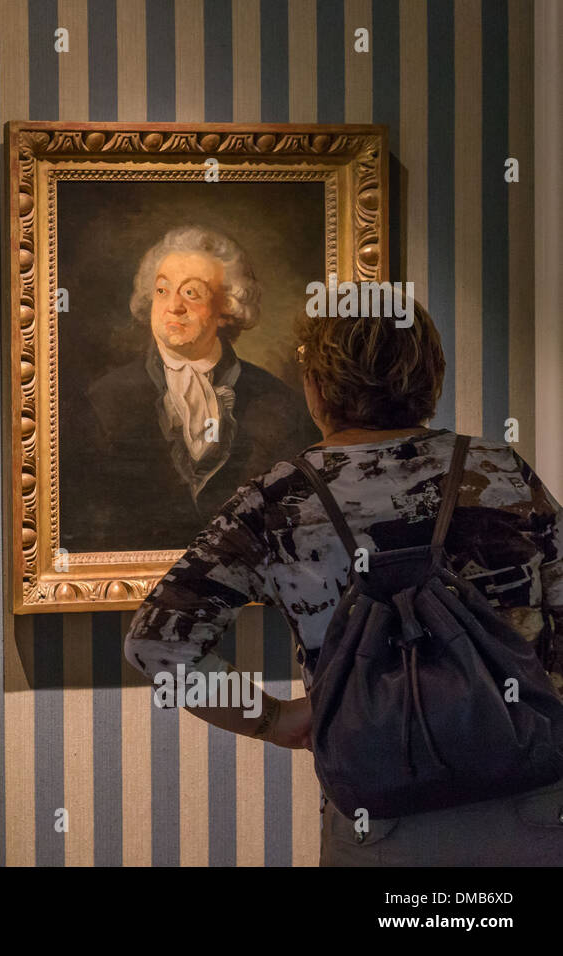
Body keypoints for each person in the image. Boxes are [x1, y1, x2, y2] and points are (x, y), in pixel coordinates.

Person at [124, 301, 563, 865]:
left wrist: (274, 718)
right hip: (527, 801)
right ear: (430, 374)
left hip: (378, 819)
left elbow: (156, 644)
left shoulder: (277, 500)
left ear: (316, 385)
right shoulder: (497, 469)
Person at [65, 226, 319, 553]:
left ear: (228, 307)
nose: (173, 306)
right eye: (162, 290)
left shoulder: (278, 404)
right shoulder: (104, 400)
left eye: (192, 293)